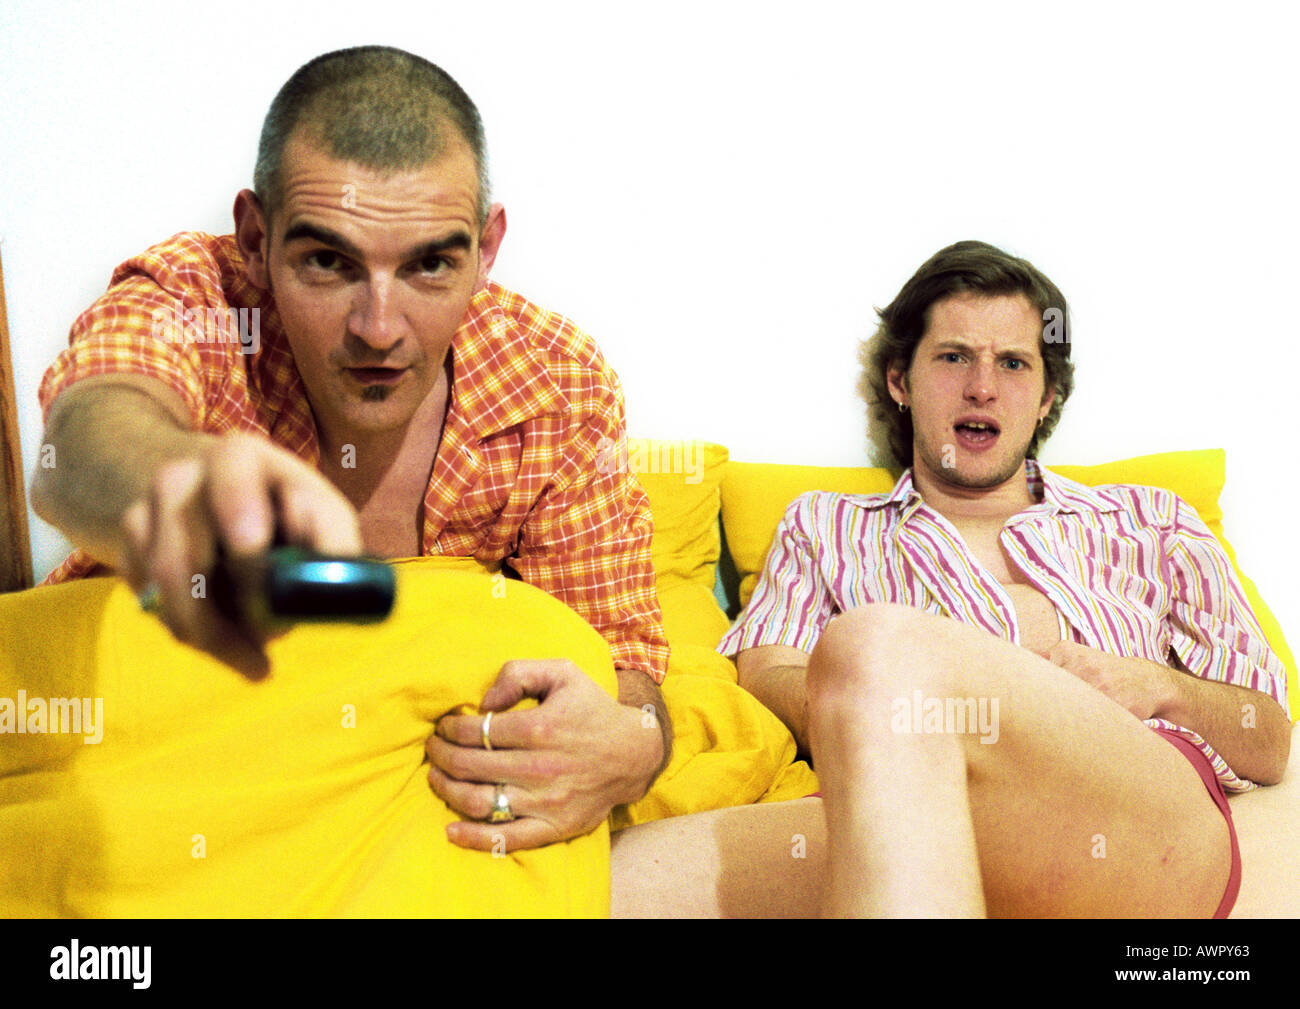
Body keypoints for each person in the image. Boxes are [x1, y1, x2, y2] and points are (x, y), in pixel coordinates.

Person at [29, 45, 671, 854]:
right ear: (256, 240)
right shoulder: (199, 298)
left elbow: (621, 655)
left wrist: (639, 742)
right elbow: (86, 437)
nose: (379, 327)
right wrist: (173, 478)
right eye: (328, 262)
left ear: (488, 247)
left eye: (431, 264)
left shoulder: (556, 385)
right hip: (154, 777)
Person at [703, 240, 1290, 916]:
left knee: (877, 643)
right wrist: (889, 707)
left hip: (1132, 812)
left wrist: (1154, 684)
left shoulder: (1149, 518)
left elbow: (1267, 734)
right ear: (900, 380)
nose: (982, 386)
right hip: (903, 802)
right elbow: (767, 673)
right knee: (629, 878)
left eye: (1013, 363)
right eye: (954, 357)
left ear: (1046, 397)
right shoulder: (825, 526)